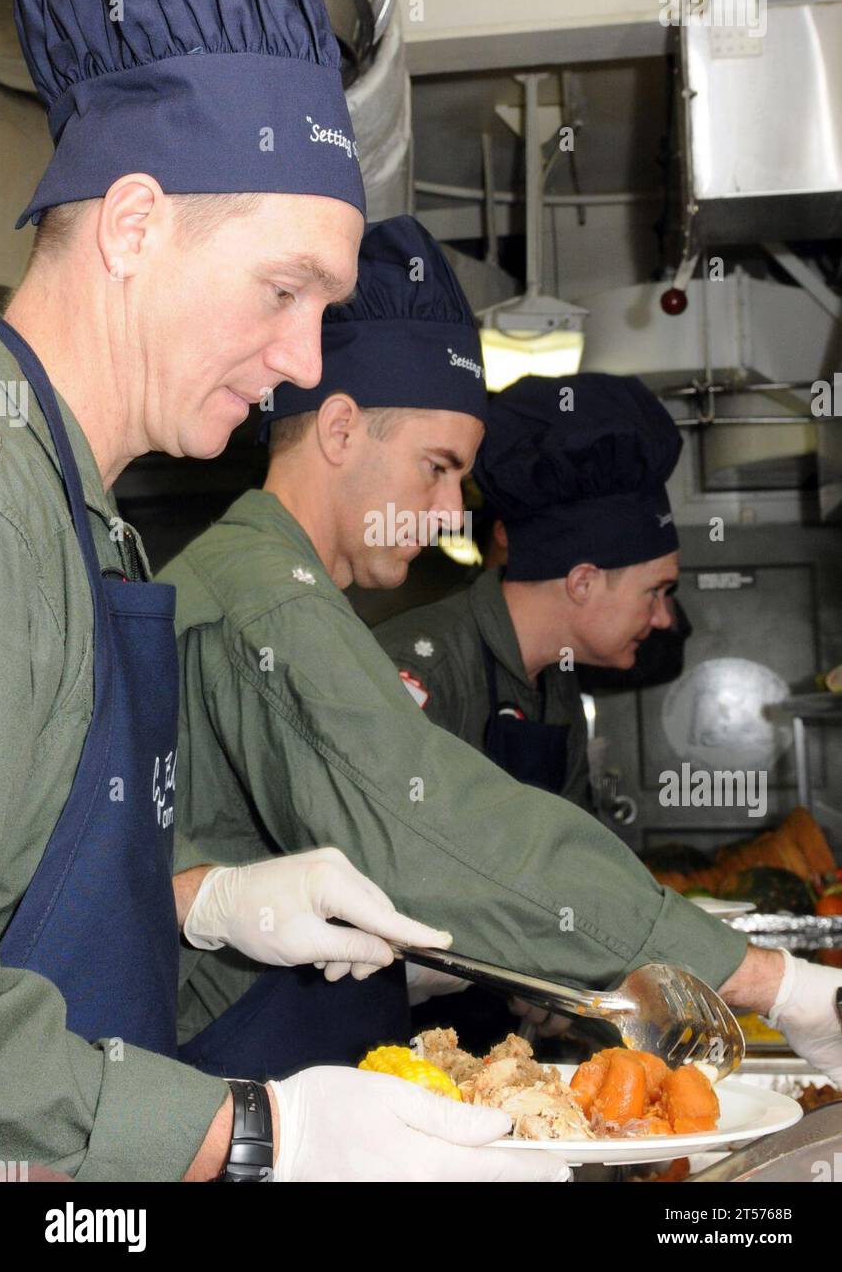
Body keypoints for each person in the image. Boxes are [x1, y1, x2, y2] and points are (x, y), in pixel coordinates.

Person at [0, 0, 563, 1184]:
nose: (304, 360)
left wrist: (213, 904)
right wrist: (256, 1133)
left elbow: (39, 924)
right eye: (285, 286)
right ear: (134, 224)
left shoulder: (92, 521)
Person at [159, 213, 842, 1098]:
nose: (450, 517)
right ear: (337, 429)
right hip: (237, 1074)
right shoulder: (271, 599)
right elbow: (438, 834)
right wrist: (770, 982)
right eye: (435, 469)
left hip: (295, 1063)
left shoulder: (277, 586)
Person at [375, 372, 685, 804]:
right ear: (583, 582)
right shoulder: (425, 671)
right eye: (655, 591)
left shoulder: (554, 683)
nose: (664, 617)